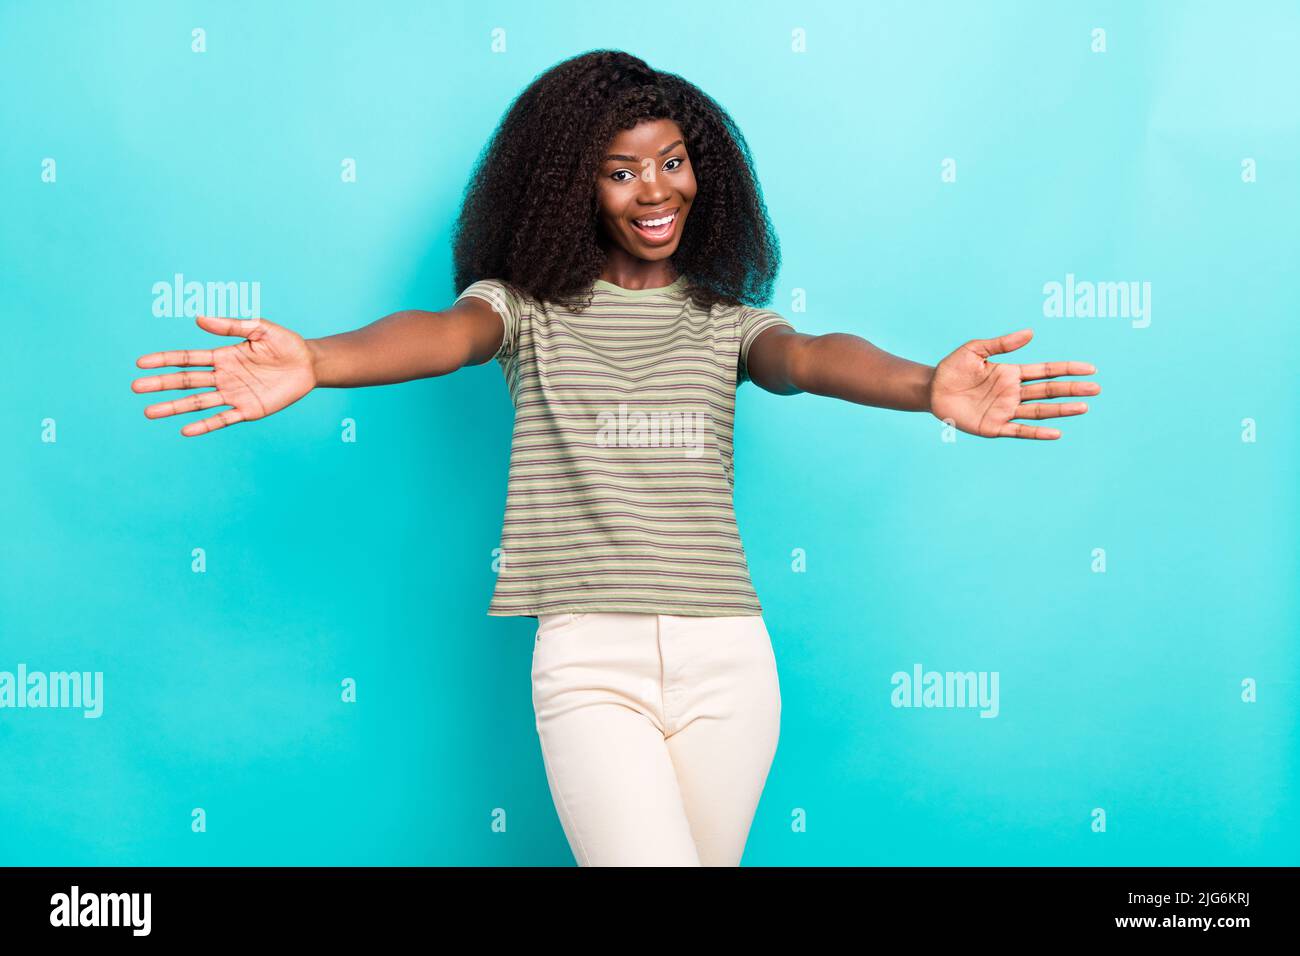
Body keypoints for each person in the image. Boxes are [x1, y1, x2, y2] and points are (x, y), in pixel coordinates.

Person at [131, 49, 1100, 866]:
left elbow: (804, 358)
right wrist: (319, 359)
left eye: (672, 162)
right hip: (591, 660)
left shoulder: (727, 323)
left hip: (731, 659)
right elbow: (437, 334)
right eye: (622, 170)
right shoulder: (522, 312)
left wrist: (925, 381)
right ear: (570, 188)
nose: (656, 190)